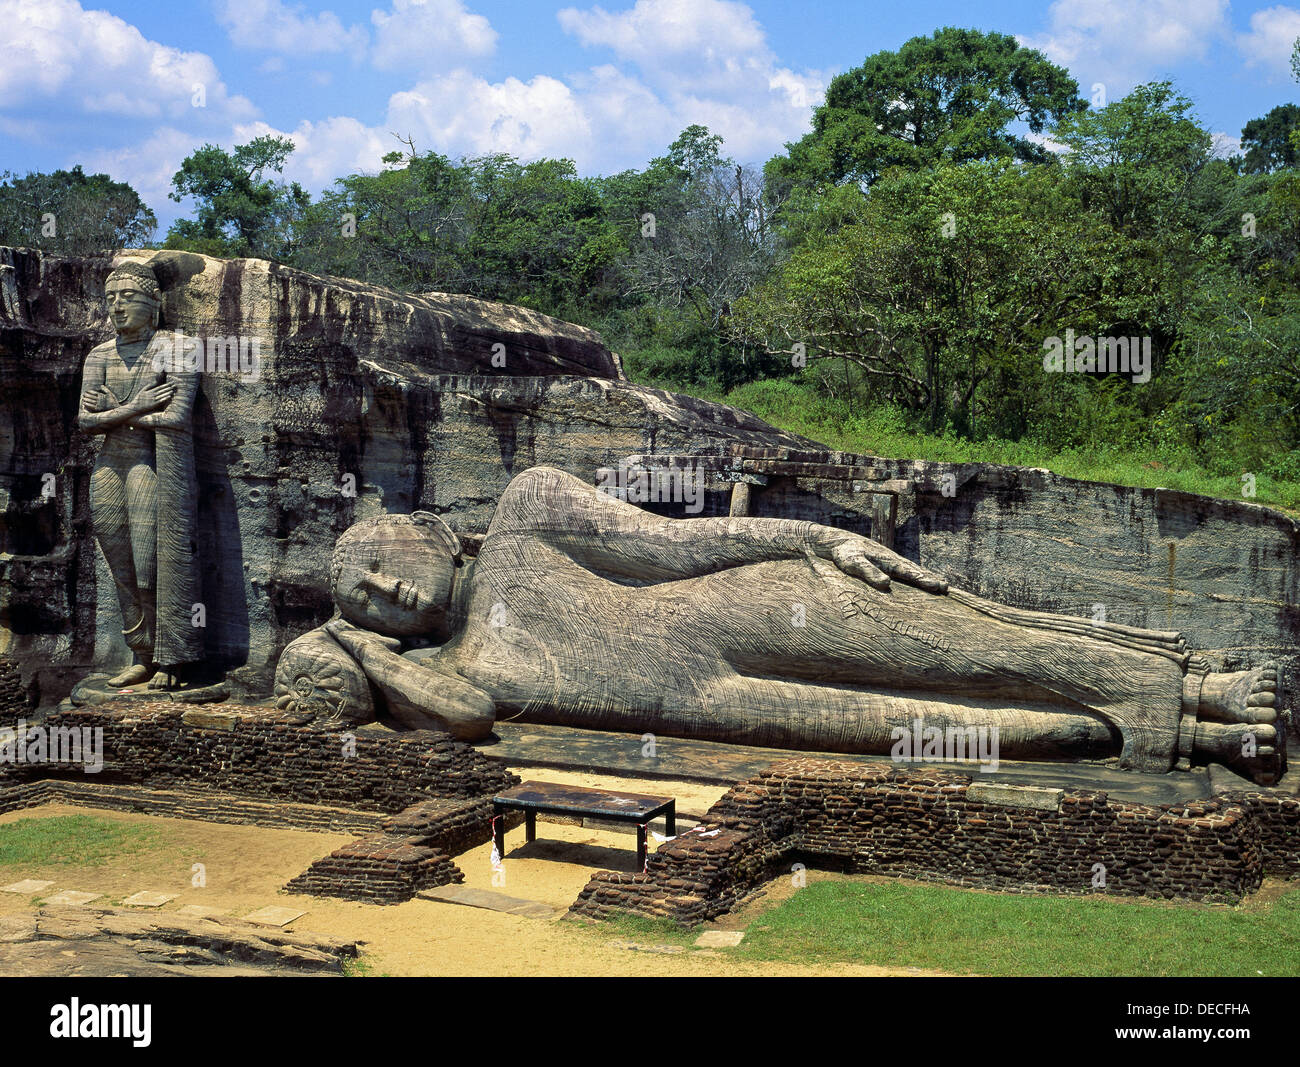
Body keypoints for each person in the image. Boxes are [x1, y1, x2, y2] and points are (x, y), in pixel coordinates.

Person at [279, 465, 1282, 782]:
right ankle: (1188, 739)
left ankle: (1193, 685)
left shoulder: (526, 512)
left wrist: (811, 542)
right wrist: (357, 649)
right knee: (947, 723)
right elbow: (455, 720)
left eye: (377, 562)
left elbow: (672, 546)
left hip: (750, 602)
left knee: (974, 646)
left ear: (423, 533)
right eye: (360, 595)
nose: (383, 589)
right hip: (721, 699)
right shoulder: (461, 667)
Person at [77, 261, 202, 689]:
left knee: (152, 562)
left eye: (128, 297)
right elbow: (84, 421)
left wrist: (113, 411)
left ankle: (172, 655)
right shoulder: (100, 355)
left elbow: (177, 418)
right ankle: (140, 653)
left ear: (155, 302)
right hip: (110, 466)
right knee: (121, 567)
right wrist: (136, 407)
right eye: (111, 298)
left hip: (151, 467)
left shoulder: (177, 347)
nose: (117, 306)